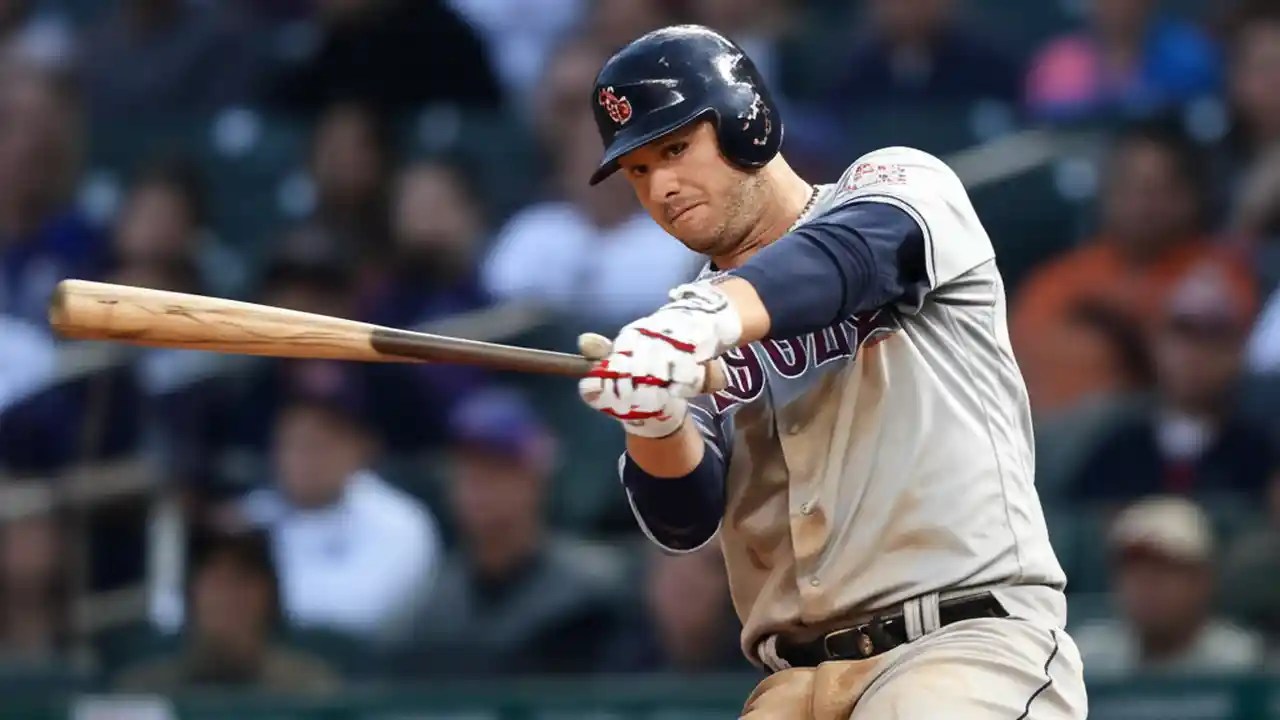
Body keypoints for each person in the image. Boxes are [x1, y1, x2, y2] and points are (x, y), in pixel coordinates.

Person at [575, 26, 1086, 718]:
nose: (662, 185)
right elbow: (682, 520)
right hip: (792, 686)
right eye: (639, 170)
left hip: (957, 652)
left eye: (675, 149)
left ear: (746, 122)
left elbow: (849, 258)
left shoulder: (898, 185)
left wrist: (705, 319)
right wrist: (655, 420)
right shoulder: (682, 332)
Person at [116, 528, 340, 694]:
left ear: (269, 596)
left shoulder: (307, 687)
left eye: (242, 583)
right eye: (218, 583)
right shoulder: (146, 689)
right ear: (192, 594)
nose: (230, 598)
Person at [1072, 496, 1266, 676]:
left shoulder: (1242, 662)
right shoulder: (1085, 660)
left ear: (1202, 579)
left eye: (1163, 571)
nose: (1146, 585)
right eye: (1133, 572)